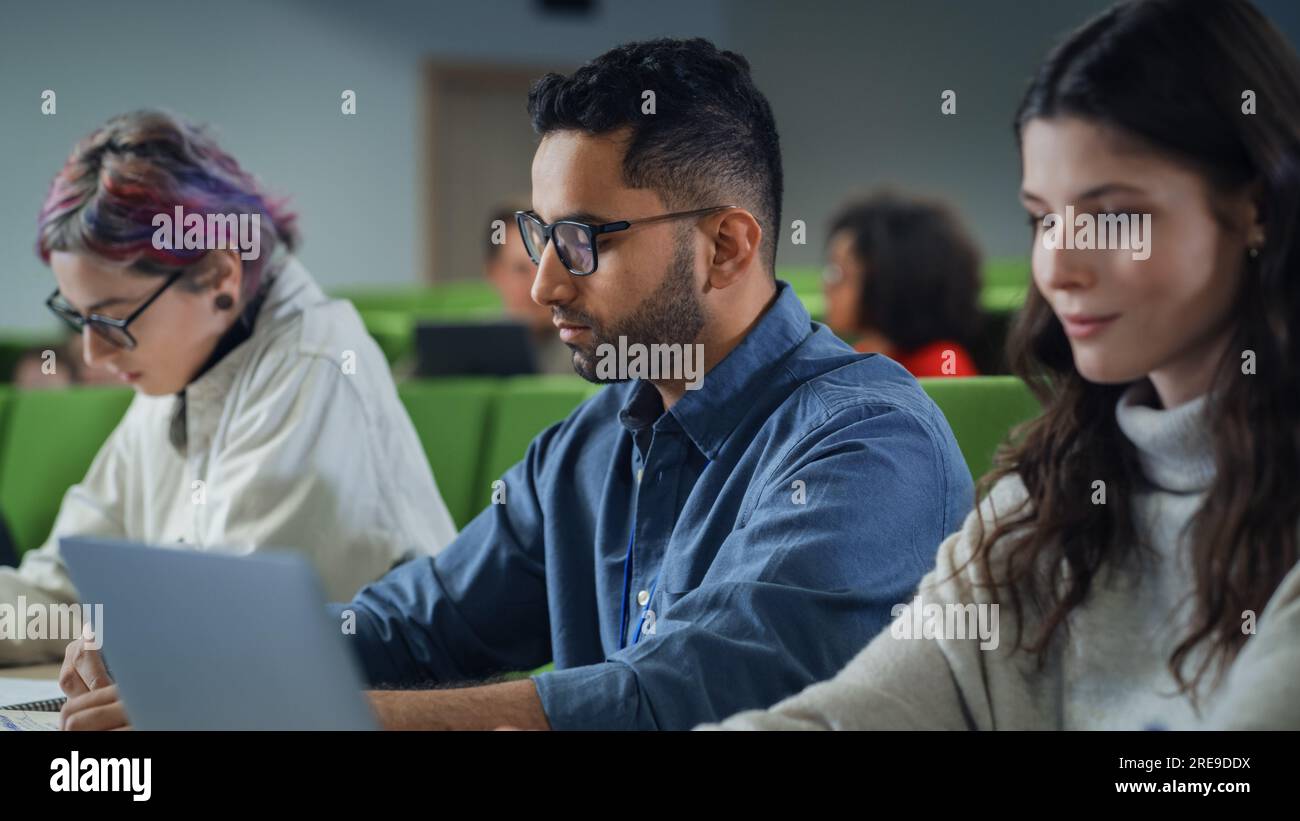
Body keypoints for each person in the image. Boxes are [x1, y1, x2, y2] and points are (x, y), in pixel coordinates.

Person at [60, 39, 972, 731]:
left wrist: (291, 714)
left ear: (726, 244)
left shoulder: (866, 441)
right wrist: (193, 655)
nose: (543, 285)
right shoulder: (590, 445)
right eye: (540, 238)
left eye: (583, 241)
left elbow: (695, 690)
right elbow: (417, 625)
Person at [707, 0, 1300, 731]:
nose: (1060, 267)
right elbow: (853, 714)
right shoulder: (1049, 495)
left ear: (1258, 210)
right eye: (1042, 218)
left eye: (1112, 215)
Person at [0, 110, 457, 667]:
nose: (94, 354)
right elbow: (65, 589)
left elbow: (234, 636)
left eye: (113, 319)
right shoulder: (183, 368)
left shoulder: (312, 367)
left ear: (220, 276)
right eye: (78, 319)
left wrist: (124, 640)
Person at [822, 191, 982, 377]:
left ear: (888, 283)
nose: (826, 284)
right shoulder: (864, 354)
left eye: (839, 272)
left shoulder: (941, 368)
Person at [484, 200, 573, 374]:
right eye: (521, 270)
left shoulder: (593, 353)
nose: (538, 286)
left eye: (544, 266)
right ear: (494, 274)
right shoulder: (461, 347)